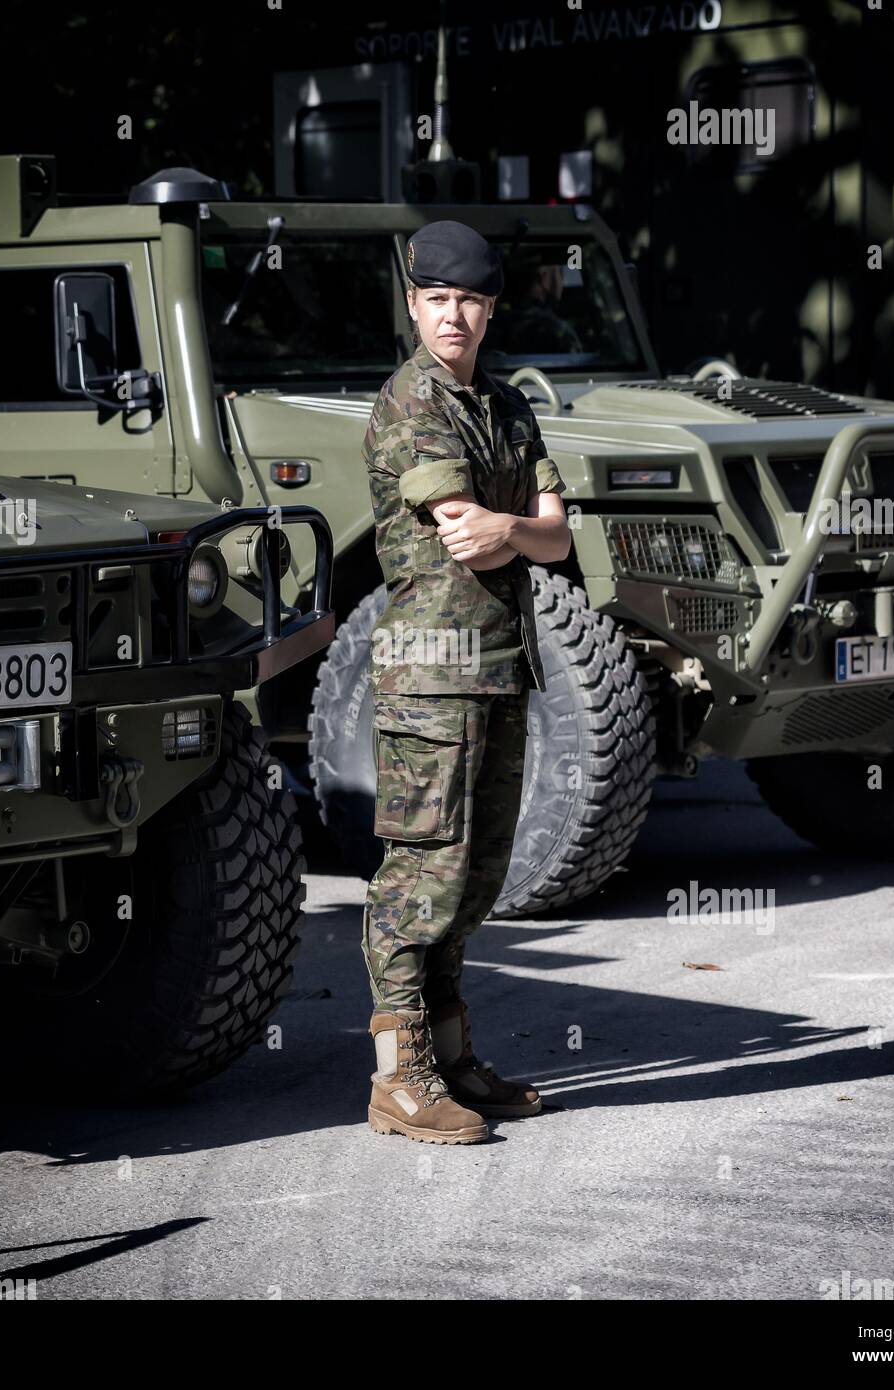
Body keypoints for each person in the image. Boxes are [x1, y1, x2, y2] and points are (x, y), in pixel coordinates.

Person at [360, 219, 572, 1144]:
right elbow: (464, 530)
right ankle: (395, 1077)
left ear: (490, 308)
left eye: (470, 301)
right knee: (420, 876)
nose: (454, 315)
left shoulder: (507, 406)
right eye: (437, 299)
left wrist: (514, 525)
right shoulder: (411, 404)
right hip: (429, 681)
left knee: (475, 876)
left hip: (496, 666)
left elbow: (554, 538)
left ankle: (450, 1058)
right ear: (414, 304)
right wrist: (513, 524)